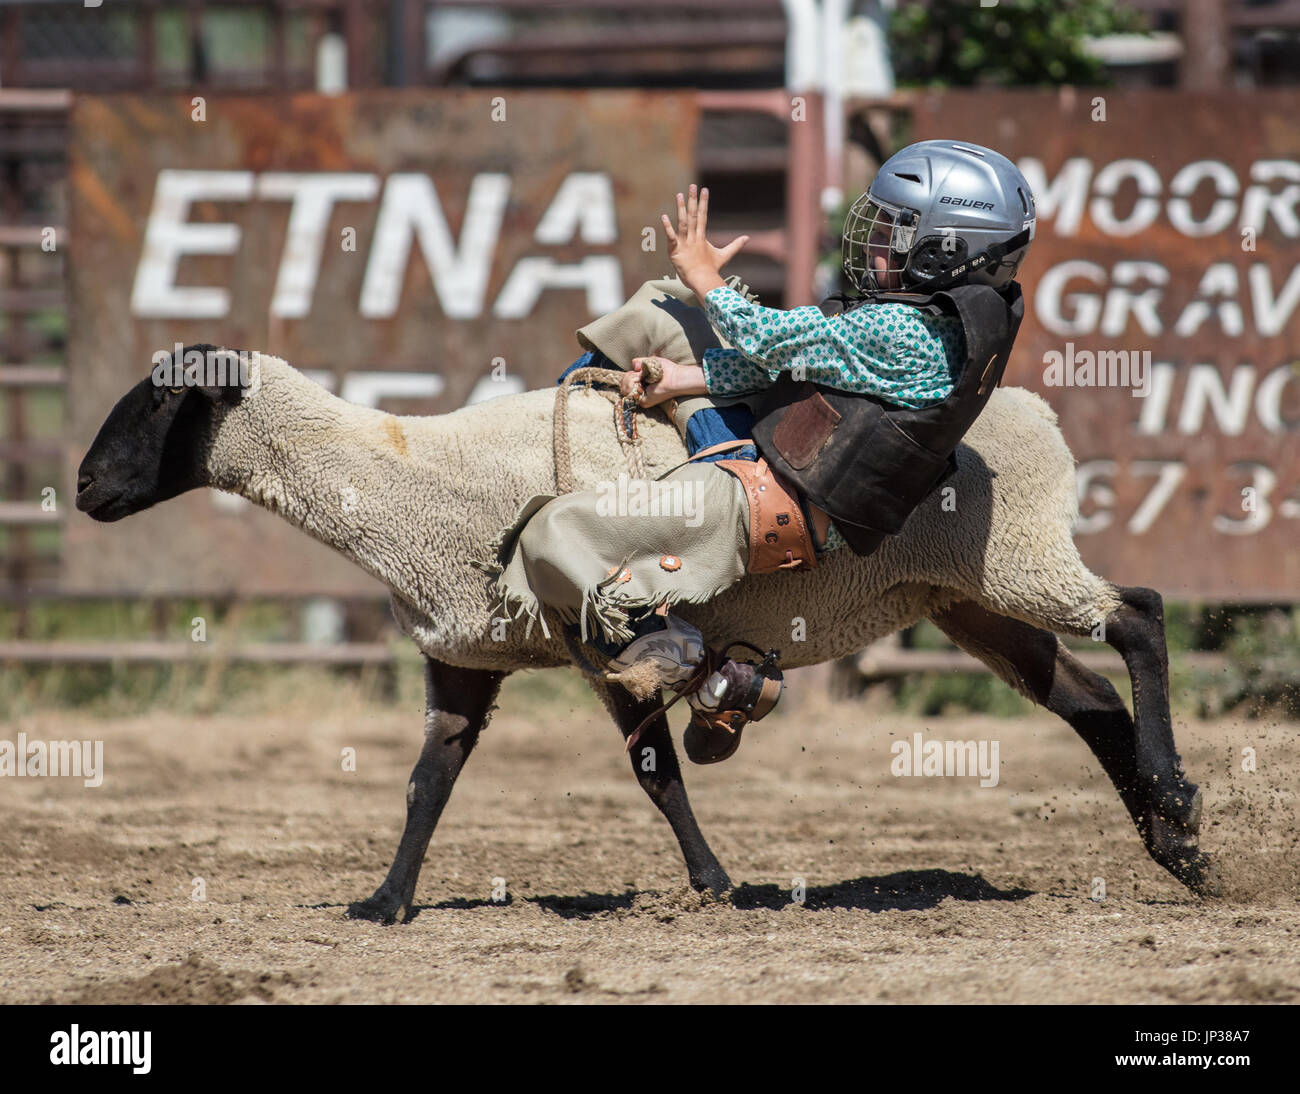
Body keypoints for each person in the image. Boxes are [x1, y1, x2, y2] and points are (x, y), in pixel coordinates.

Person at [481, 140, 1036, 764]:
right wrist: (684, 378)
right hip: (789, 444)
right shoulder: (938, 316)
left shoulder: (905, 331)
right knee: (657, 304)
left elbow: (770, 341)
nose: (874, 240)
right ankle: (586, 431)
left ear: (947, 252)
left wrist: (705, 275)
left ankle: (714, 678)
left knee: (550, 536)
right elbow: (793, 365)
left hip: (779, 501)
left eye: (896, 231)